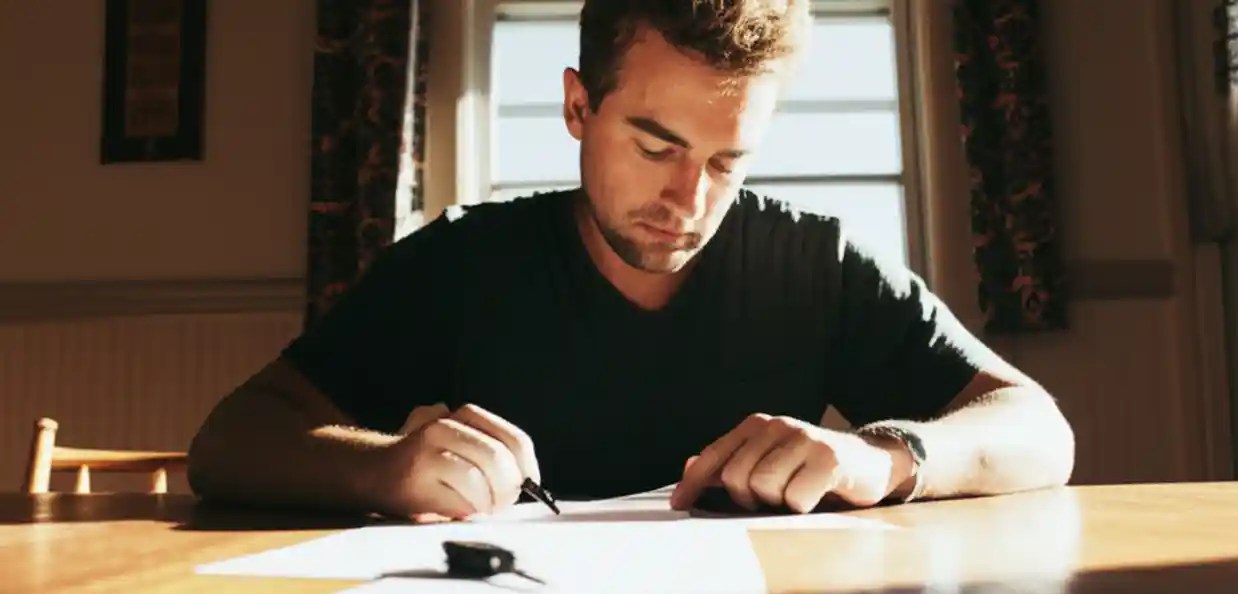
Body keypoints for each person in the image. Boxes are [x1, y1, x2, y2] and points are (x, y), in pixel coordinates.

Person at [188, 0, 1074, 521]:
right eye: (655, 147)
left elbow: (1039, 430)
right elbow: (230, 439)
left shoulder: (817, 261)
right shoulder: (465, 263)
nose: (689, 199)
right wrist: (381, 468)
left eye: (727, 162)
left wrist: (883, 460)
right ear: (579, 107)